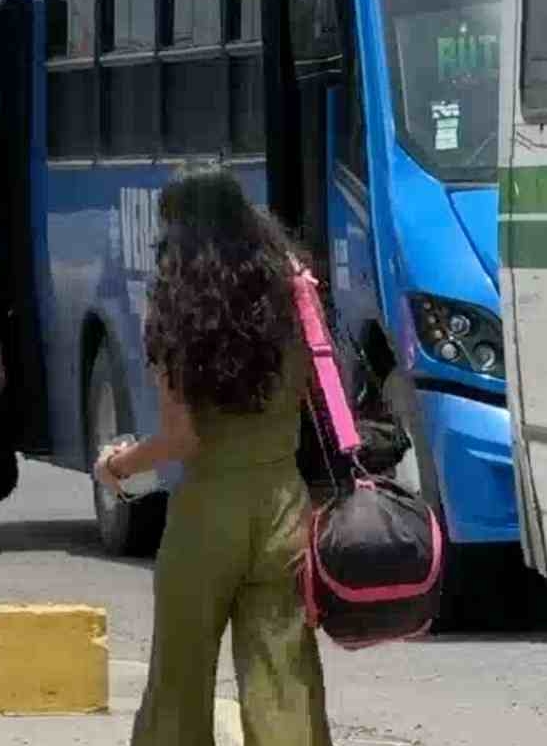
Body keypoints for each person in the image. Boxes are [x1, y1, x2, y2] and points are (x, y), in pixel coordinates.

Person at [96, 169, 332, 746]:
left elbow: (182, 440)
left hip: (207, 514)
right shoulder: (296, 291)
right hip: (284, 506)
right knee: (284, 675)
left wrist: (119, 465)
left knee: (180, 680)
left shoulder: (177, 310)